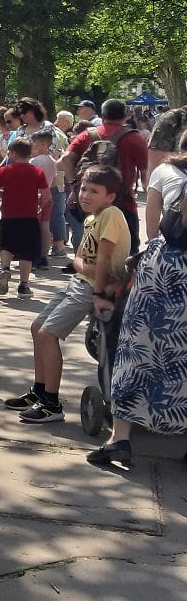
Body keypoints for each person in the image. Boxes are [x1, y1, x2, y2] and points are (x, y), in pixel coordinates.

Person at [4, 165, 130, 424]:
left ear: (110, 196)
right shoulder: (92, 218)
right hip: (78, 282)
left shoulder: (111, 215)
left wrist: (96, 290)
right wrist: (82, 266)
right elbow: (80, 260)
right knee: (37, 327)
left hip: (90, 289)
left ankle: (51, 403)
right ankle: (39, 392)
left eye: (94, 191)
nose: (85, 195)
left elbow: (104, 261)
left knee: (48, 335)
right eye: (82, 188)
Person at [88, 142, 187, 464]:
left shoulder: (165, 173)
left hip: (166, 269)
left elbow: (154, 228)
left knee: (136, 349)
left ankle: (121, 438)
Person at [60, 97, 147, 253]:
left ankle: (91, 274)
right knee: (127, 250)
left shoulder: (87, 136)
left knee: (93, 248)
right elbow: (146, 171)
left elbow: (65, 159)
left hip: (92, 203)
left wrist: (74, 186)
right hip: (123, 202)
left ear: (103, 114)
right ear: (126, 115)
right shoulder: (134, 138)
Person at [0, 136, 49, 299]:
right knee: (26, 251)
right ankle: (23, 286)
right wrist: (39, 205)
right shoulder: (37, 172)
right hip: (29, 217)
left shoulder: (4, 171)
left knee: (6, 245)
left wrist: (6, 193)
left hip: (8, 215)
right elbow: (47, 196)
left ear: (14, 153)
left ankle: (5, 269)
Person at [30, 130, 58, 262]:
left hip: (35, 196)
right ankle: (44, 254)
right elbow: (53, 182)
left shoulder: (34, 161)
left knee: (34, 226)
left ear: (43, 145)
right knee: (45, 225)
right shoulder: (53, 161)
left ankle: (33, 253)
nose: (32, 145)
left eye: (34, 143)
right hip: (48, 196)